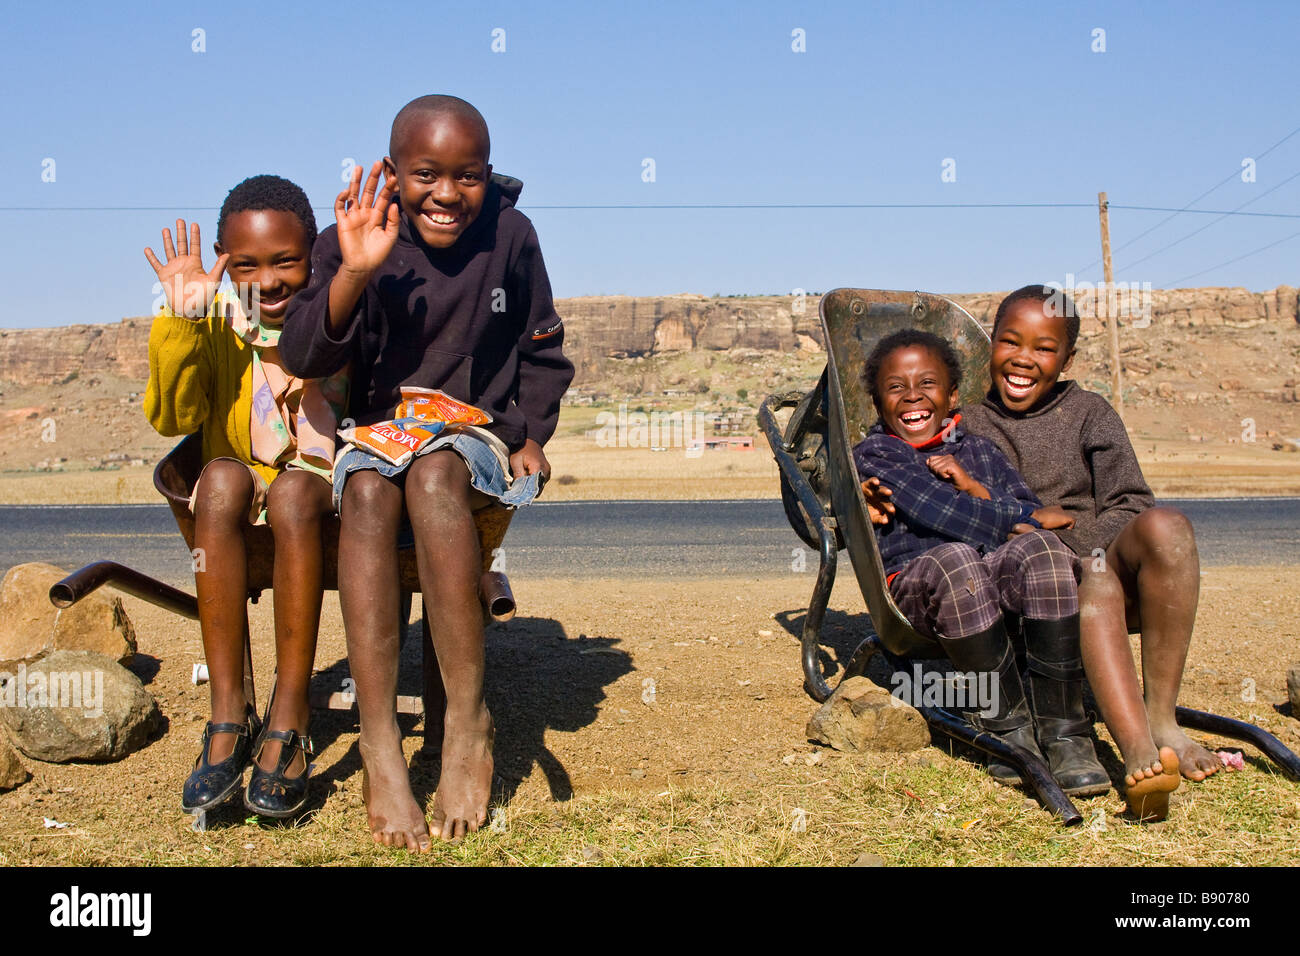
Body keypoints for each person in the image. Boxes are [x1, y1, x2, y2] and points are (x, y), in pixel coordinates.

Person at [279, 95, 574, 849]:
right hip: (376, 437)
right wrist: (352, 271)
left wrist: (531, 433)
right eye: (426, 174)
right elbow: (303, 357)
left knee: (436, 472)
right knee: (373, 489)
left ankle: (467, 722)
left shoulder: (510, 234)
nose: (447, 193)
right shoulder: (348, 239)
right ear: (393, 172)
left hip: (469, 434)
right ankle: (382, 748)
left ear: (487, 173)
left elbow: (543, 350)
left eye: (467, 175)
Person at [143, 175, 349, 819]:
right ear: (226, 268)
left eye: (286, 260)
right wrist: (180, 320)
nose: (269, 280)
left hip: (326, 490)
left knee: (291, 494)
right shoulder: (216, 323)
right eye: (247, 265)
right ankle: (228, 713)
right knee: (225, 478)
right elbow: (173, 419)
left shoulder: (339, 313)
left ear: (313, 257)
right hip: (245, 489)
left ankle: (291, 713)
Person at [853, 329, 1110, 799]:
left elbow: (1037, 528)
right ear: (878, 403)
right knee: (955, 557)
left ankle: (1066, 730)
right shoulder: (877, 454)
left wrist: (980, 489)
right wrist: (1019, 516)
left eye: (927, 383)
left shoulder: (982, 452)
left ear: (952, 396)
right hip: (918, 588)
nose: (912, 396)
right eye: (895, 387)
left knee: (1044, 551)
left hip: (989, 584)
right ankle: (1006, 726)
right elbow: (937, 511)